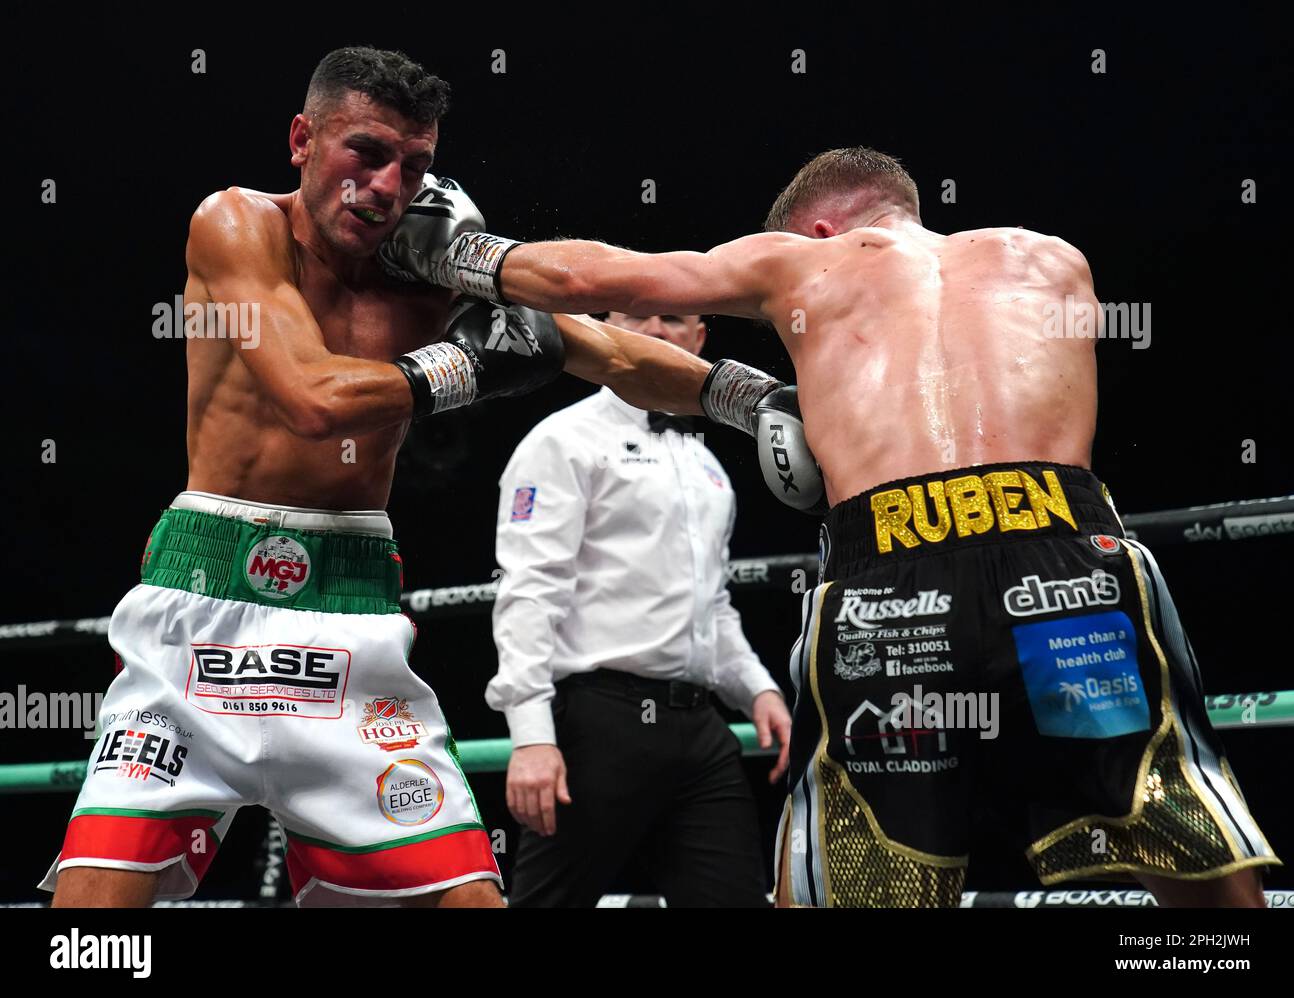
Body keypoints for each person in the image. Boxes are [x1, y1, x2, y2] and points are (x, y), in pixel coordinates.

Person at [379, 146, 1279, 907]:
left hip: (894, 583)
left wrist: (449, 250)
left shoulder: (805, 262)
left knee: (863, 881)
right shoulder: (1052, 259)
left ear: (818, 230)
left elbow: (581, 278)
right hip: (1068, 566)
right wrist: (770, 398)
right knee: (1189, 856)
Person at [40, 46, 802, 909]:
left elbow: (615, 349)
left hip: (352, 608)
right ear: (301, 139)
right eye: (364, 151)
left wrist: (759, 398)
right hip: (202, 599)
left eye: (414, 167)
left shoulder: (432, 269)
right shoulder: (236, 225)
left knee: (470, 902)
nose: (386, 186)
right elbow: (312, 400)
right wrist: (466, 366)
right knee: (95, 929)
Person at [489, 311, 792, 907]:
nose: (656, 328)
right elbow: (529, 587)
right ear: (605, 330)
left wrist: (758, 690)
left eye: (674, 318)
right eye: (636, 317)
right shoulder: (563, 440)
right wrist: (530, 736)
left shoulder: (706, 463)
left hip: (700, 729)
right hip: (600, 722)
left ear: (699, 340)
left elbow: (713, 603)